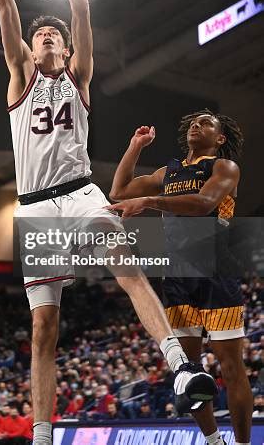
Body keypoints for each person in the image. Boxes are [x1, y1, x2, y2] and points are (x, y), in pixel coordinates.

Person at [0, 0, 217, 445]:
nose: (46, 36)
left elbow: (83, 7)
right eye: (39, 34)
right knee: (44, 327)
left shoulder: (79, 79)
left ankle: (181, 368)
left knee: (125, 265)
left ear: (68, 50)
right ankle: (43, 434)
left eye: (54, 35)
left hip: (80, 192)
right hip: (37, 205)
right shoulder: (20, 77)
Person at [107, 110, 252, 445]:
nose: (196, 126)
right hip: (177, 276)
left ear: (220, 138)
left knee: (231, 368)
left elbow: (204, 204)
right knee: (189, 370)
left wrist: (148, 201)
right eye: (193, 122)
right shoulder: (168, 172)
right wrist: (135, 146)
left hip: (215, 269)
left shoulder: (223, 167)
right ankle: (215, 441)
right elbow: (119, 191)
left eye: (206, 123)